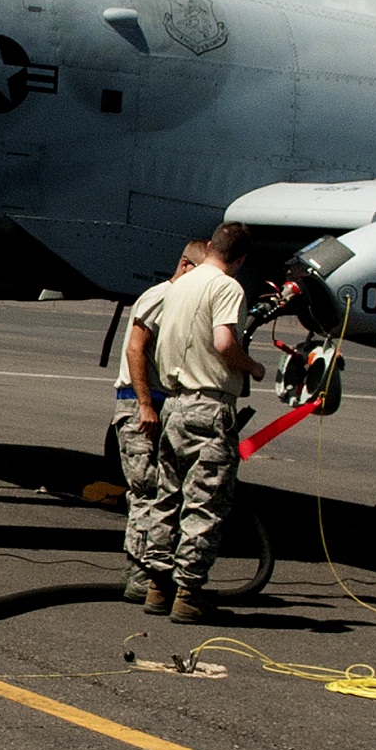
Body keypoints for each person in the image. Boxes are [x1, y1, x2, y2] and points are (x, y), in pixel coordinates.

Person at [136, 221, 261, 621]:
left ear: (209, 246)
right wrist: (253, 367)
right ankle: (188, 593)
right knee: (204, 503)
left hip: (174, 404)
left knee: (167, 496)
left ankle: (157, 585)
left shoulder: (180, 285)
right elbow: (224, 342)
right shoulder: (227, 287)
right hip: (209, 405)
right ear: (239, 259)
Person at [110, 243, 208, 604]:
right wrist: (147, 406)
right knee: (147, 492)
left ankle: (150, 572)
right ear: (185, 264)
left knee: (161, 492)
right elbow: (137, 348)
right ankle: (139, 573)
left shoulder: (182, 299)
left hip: (160, 405)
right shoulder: (162, 296)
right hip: (141, 405)